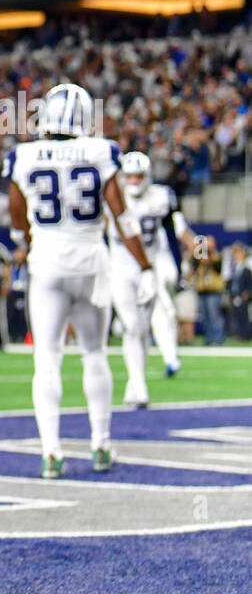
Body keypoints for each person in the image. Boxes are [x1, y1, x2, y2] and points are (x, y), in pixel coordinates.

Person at [6, 84, 154, 478]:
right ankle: (100, 444)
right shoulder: (101, 151)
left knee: (47, 357)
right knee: (94, 353)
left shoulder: (23, 155)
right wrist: (146, 266)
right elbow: (121, 217)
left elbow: (16, 214)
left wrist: (24, 242)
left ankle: (51, 452)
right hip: (92, 261)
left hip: (48, 263)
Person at [108, 151, 196, 407]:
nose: (134, 181)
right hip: (122, 264)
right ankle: (138, 382)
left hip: (152, 264)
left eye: (139, 176)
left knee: (144, 325)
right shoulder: (113, 193)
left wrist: (195, 253)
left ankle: (139, 381)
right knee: (132, 326)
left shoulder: (161, 196)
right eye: (130, 176)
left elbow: (178, 230)